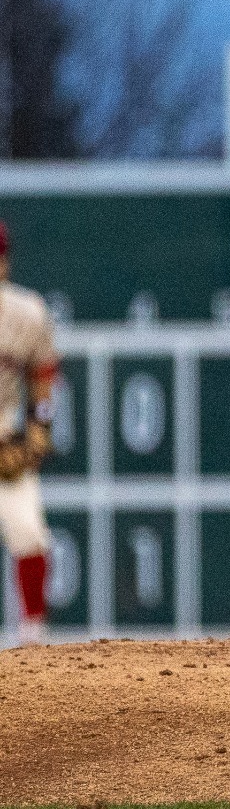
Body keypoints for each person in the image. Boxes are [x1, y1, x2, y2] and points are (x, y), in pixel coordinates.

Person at [0, 222, 57, 646]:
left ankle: (33, 637)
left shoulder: (26, 312)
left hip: (3, 437)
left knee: (30, 534)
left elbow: (42, 376)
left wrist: (39, 428)